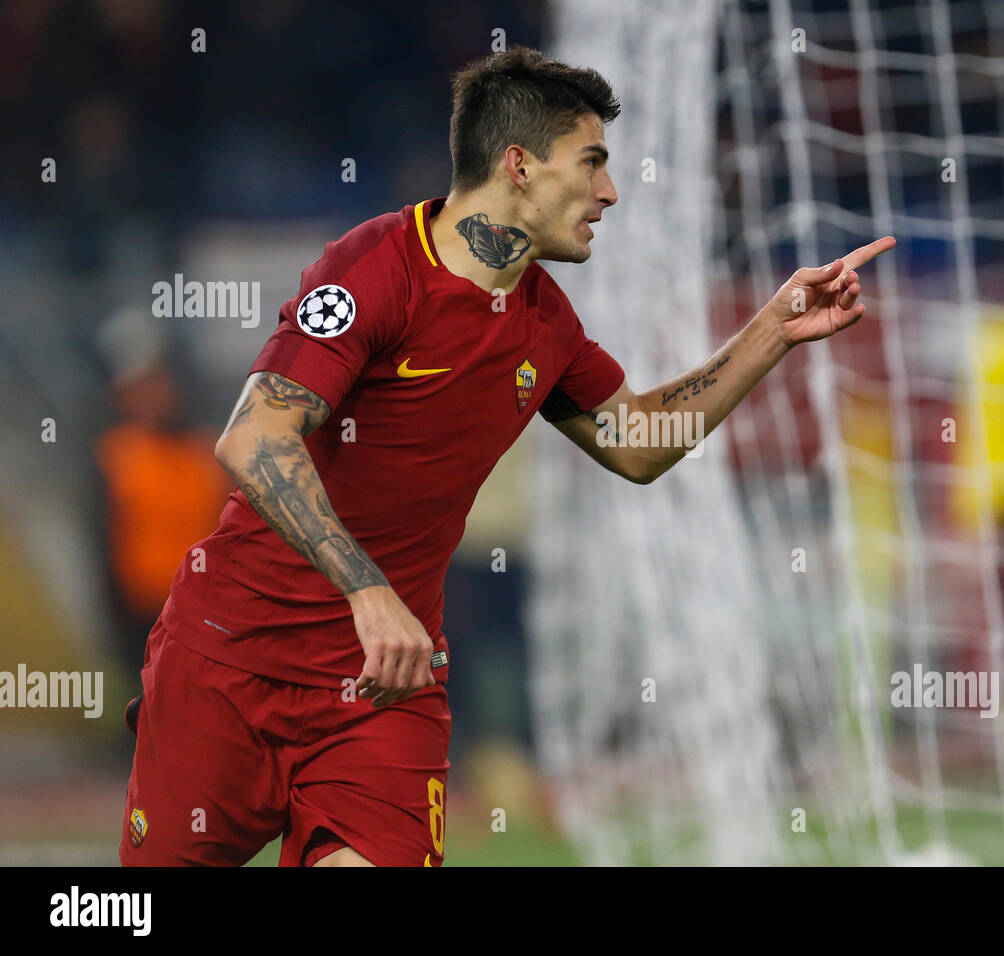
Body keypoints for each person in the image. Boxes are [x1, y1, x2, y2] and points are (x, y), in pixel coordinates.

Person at [119, 45, 894, 866]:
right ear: (519, 164)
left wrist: (773, 330)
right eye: (592, 162)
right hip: (230, 657)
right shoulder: (374, 268)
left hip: (383, 687)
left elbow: (637, 443)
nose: (609, 192)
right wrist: (369, 591)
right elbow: (254, 436)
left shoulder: (544, 321)